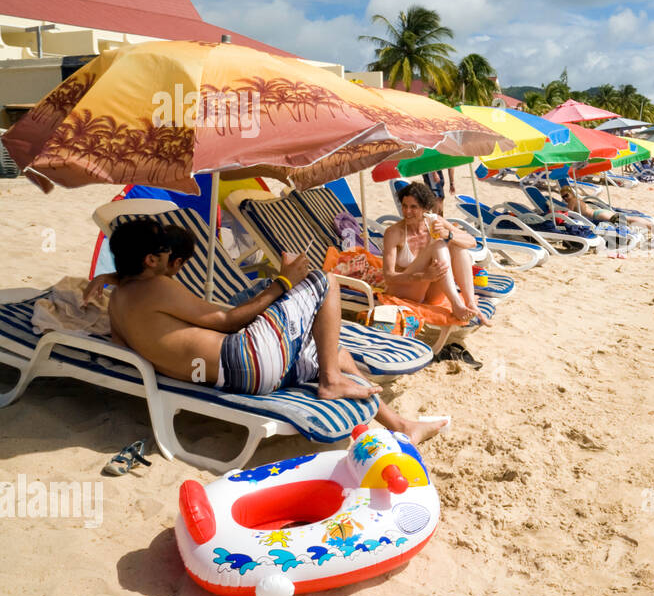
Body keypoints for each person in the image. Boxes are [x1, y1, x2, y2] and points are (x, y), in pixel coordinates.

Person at [104, 218, 445, 442]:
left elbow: (131, 347)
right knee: (323, 281)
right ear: (150, 260)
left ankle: (400, 425)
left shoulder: (117, 302)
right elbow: (228, 321)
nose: (170, 253)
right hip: (245, 357)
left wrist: (111, 278)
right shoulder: (158, 286)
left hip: (238, 374)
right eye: (164, 248)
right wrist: (284, 282)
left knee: (336, 353)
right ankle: (329, 382)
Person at [382, 181, 486, 324]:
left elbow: (472, 242)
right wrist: (423, 276)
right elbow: (388, 277)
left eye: (413, 207)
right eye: (404, 206)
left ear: (425, 208)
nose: (407, 212)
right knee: (438, 245)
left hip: (430, 293)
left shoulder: (435, 222)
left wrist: (447, 234)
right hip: (403, 291)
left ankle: (470, 303)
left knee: (456, 246)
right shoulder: (394, 233)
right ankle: (457, 304)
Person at [560, 185, 654, 237]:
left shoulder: (572, 201)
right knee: (626, 219)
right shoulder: (577, 199)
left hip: (598, 215)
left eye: (566, 195)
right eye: (563, 197)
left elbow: (569, 213)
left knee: (626, 219)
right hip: (600, 212)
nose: (565, 198)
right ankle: (649, 225)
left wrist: (555, 210)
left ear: (571, 193)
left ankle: (650, 225)